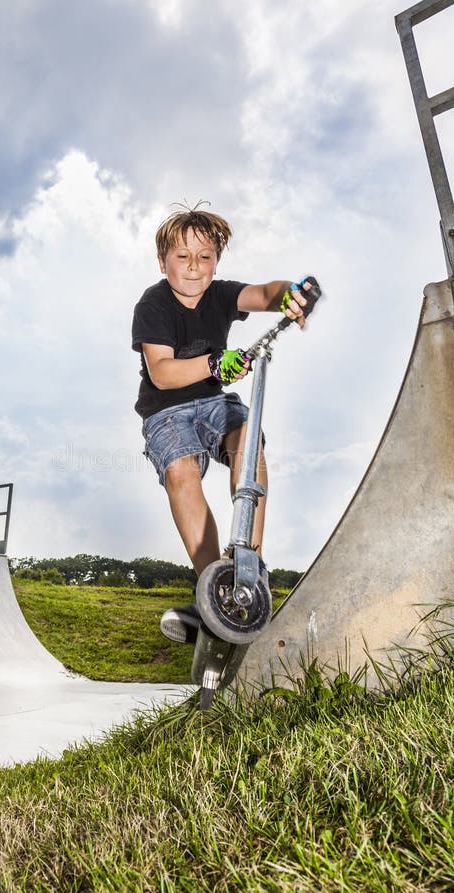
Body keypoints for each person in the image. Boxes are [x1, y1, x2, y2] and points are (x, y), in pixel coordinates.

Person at [131, 204, 311, 643]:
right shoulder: (153, 304)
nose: (194, 269)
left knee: (248, 439)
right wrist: (214, 363)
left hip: (215, 403)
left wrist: (291, 291)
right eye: (182, 257)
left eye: (205, 257)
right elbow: (163, 372)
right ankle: (214, 588)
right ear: (163, 262)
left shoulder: (221, 294)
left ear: (216, 261)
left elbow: (264, 293)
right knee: (181, 473)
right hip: (165, 412)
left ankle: (250, 567)